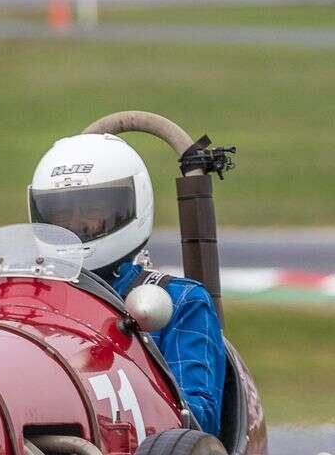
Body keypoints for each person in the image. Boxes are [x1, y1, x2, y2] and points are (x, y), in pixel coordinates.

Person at [27, 133, 224, 436]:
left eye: (92, 210)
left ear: (131, 205)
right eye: (62, 212)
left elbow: (197, 423)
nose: (75, 223)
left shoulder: (178, 301)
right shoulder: (32, 301)